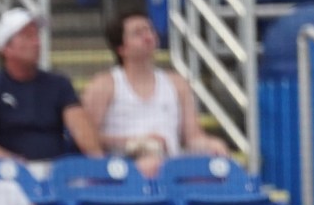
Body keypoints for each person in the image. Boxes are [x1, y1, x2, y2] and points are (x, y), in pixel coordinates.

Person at [81, 11, 227, 175]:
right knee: (149, 163)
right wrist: (134, 143)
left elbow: (192, 136)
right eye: (138, 33)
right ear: (121, 48)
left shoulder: (177, 83)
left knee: (218, 157)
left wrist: (211, 145)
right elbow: (87, 138)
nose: (147, 36)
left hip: (169, 167)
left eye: (149, 30)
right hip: (123, 169)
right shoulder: (104, 85)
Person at [0, 10, 102, 166]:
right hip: (9, 174)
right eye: (27, 36)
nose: (36, 43)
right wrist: (10, 160)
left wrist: (99, 162)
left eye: (36, 36)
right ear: (7, 48)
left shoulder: (59, 84)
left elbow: (80, 126)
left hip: (54, 171)